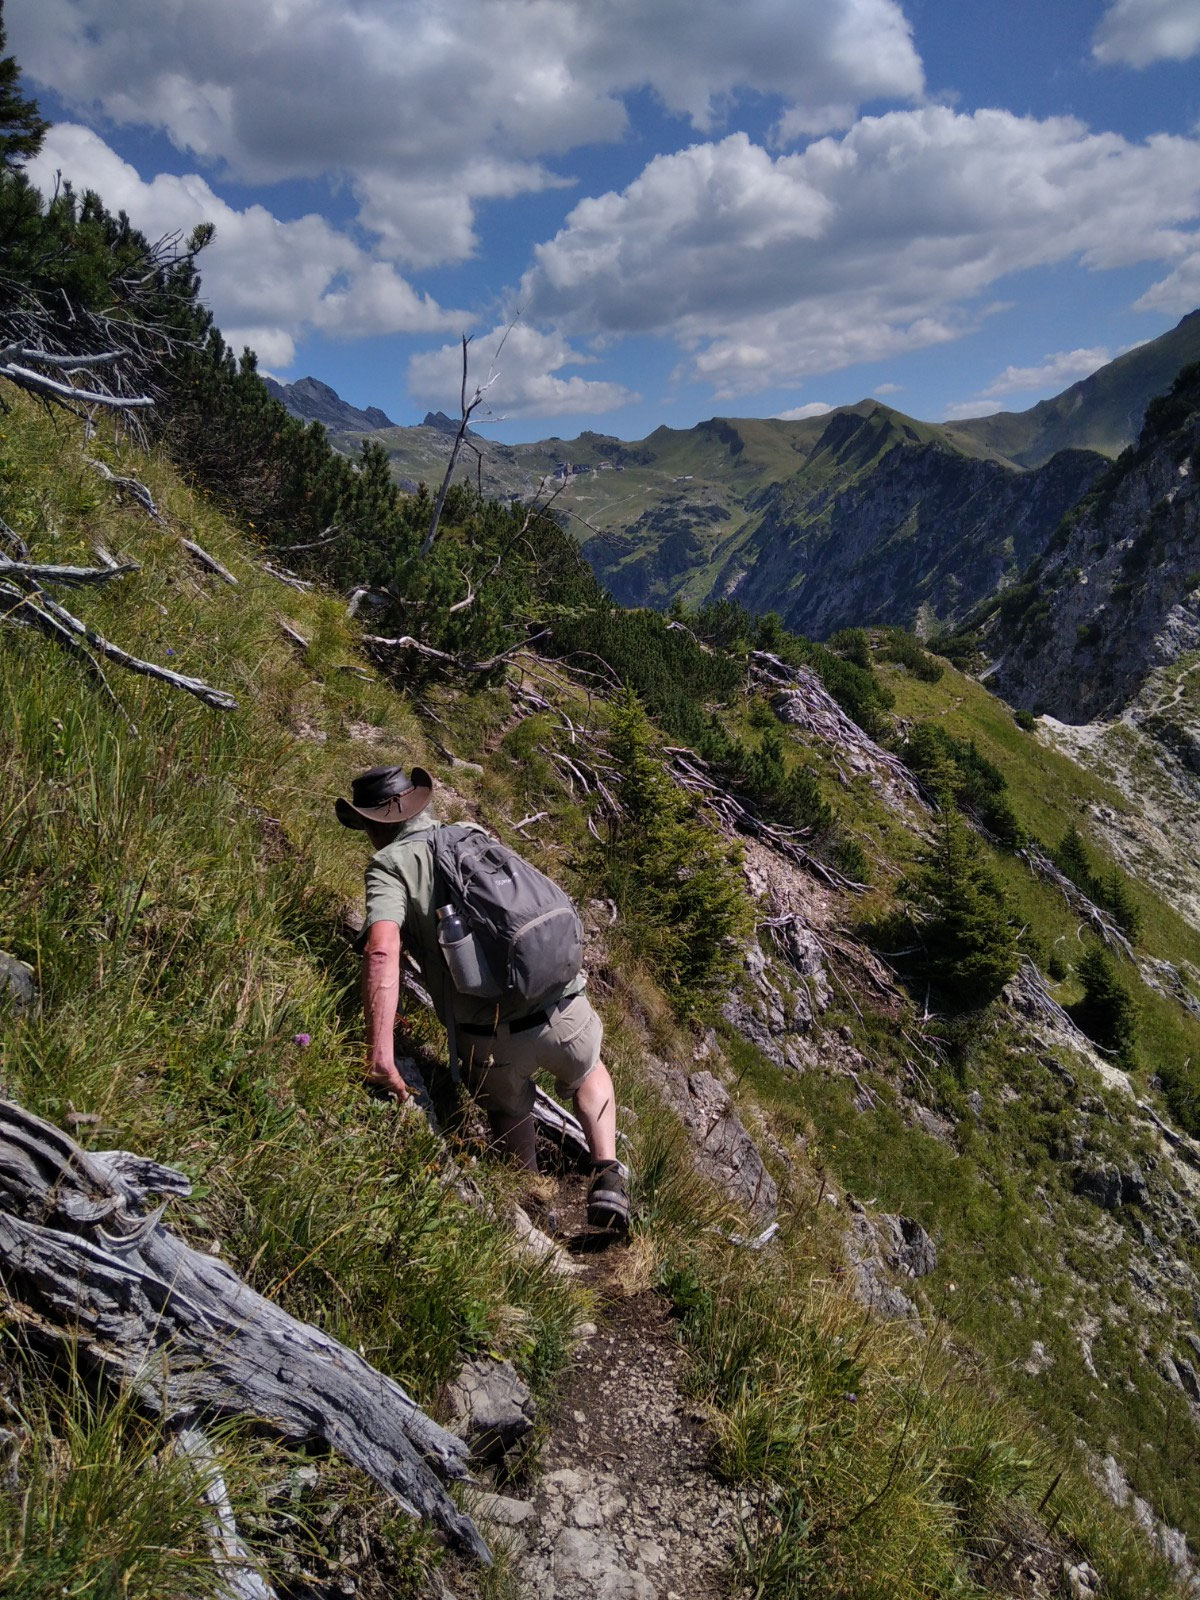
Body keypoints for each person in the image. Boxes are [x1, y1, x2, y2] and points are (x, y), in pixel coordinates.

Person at [335, 764, 630, 1231]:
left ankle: (538, 1210)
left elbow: (382, 949)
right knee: (589, 1071)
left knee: (508, 1109)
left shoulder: (389, 866)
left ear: (373, 824)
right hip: (559, 1002)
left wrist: (380, 1053)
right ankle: (607, 1172)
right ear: (417, 805)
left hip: (490, 1036)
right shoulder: (470, 833)